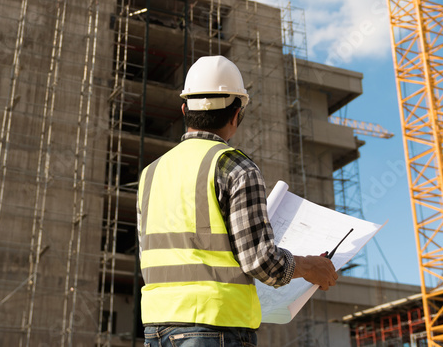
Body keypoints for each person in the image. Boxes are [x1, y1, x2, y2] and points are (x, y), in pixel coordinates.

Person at [136, 55, 339, 346]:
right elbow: (262, 262)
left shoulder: (150, 174)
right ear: (237, 114)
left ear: (184, 109)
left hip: (156, 329)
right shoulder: (235, 167)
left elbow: (149, 258)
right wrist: (309, 267)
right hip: (215, 327)